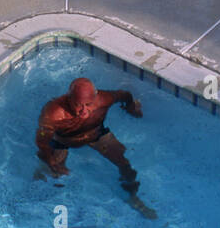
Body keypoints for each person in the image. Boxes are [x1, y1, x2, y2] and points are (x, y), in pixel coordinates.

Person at [35, 76, 156, 218]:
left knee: (124, 163)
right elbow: (42, 140)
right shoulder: (55, 112)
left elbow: (124, 95)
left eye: (88, 104)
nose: (84, 111)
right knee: (52, 171)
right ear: (69, 99)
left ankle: (133, 197)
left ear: (95, 97)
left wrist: (131, 107)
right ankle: (47, 201)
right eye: (79, 105)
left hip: (96, 135)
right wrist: (50, 160)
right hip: (64, 141)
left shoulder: (103, 99)